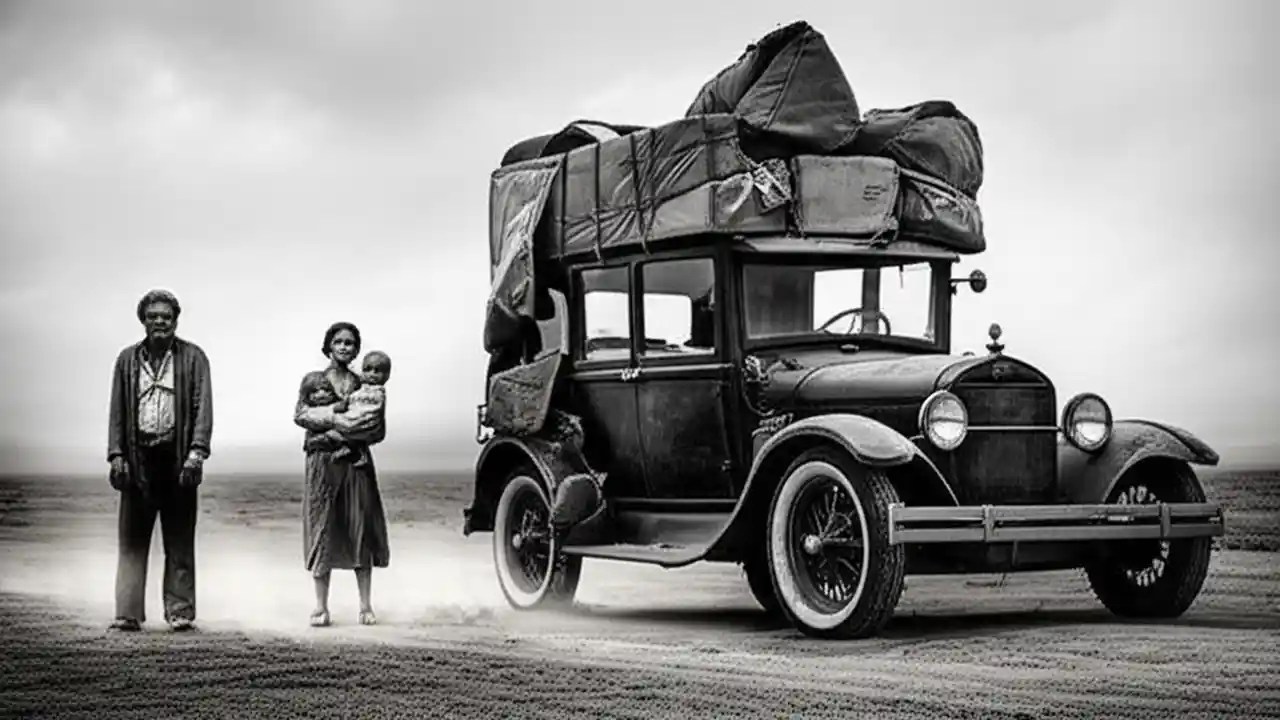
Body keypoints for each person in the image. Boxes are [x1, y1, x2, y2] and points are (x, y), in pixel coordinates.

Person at [106, 289, 213, 632]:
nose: (160, 322)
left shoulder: (194, 357)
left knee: (180, 537)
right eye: (153, 316)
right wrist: (117, 454)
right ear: (143, 320)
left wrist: (197, 453)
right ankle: (128, 613)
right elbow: (117, 412)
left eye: (166, 316)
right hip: (138, 459)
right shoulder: (126, 360)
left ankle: (180, 611)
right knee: (132, 538)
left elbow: (202, 409)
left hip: (178, 457)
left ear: (176, 320)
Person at [293, 322, 390, 627]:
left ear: (356, 349)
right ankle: (321, 606)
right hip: (321, 464)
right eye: (339, 342)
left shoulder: (367, 384)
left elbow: (377, 429)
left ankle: (365, 605)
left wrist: (339, 432)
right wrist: (338, 415)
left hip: (355, 464)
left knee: (358, 527)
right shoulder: (314, 381)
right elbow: (301, 415)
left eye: (350, 343)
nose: (345, 347)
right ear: (329, 346)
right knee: (323, 528)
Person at [331, 350, 391, 468]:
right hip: (357, 420)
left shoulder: (377, 391)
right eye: (367, 369)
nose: (372, 374)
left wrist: (347, 402)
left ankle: (354, 451)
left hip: (365, 421)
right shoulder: (364, 386)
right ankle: (352, 450)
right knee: (345, 434)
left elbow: (368, 408)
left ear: (386, 375)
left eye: (377, 371)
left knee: (343, 430)